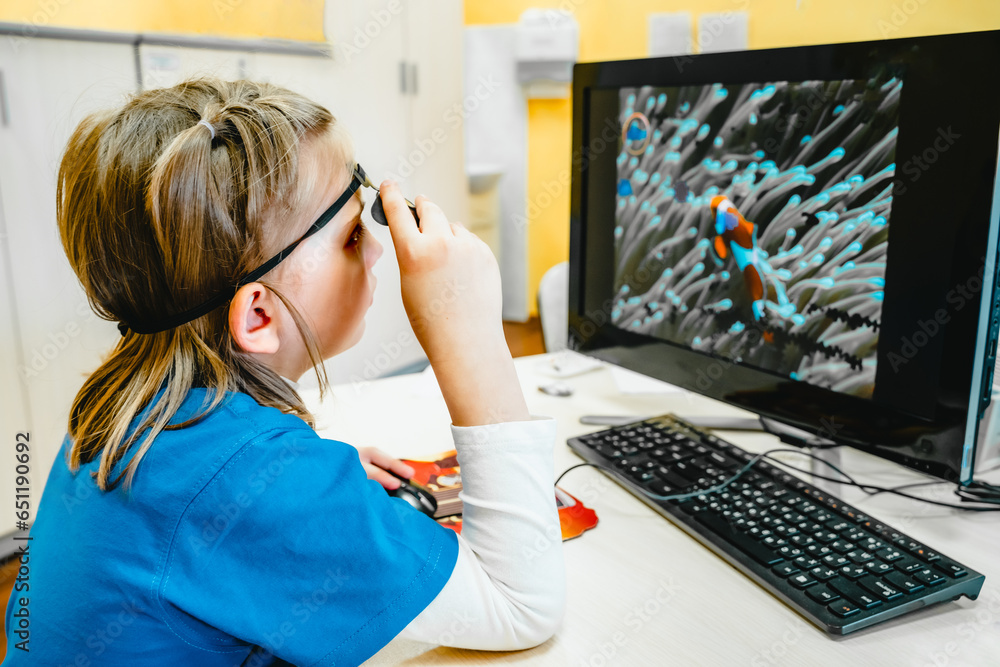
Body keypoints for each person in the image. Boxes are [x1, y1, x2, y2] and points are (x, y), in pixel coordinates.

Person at [2, 79, 564, 665]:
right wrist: (468, 331)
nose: (376, 250)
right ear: (260, 313)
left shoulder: (123, 404)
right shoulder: (250, 482)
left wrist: (308, 484)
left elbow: (198, 506)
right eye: (351, 235)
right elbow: (519, 603)